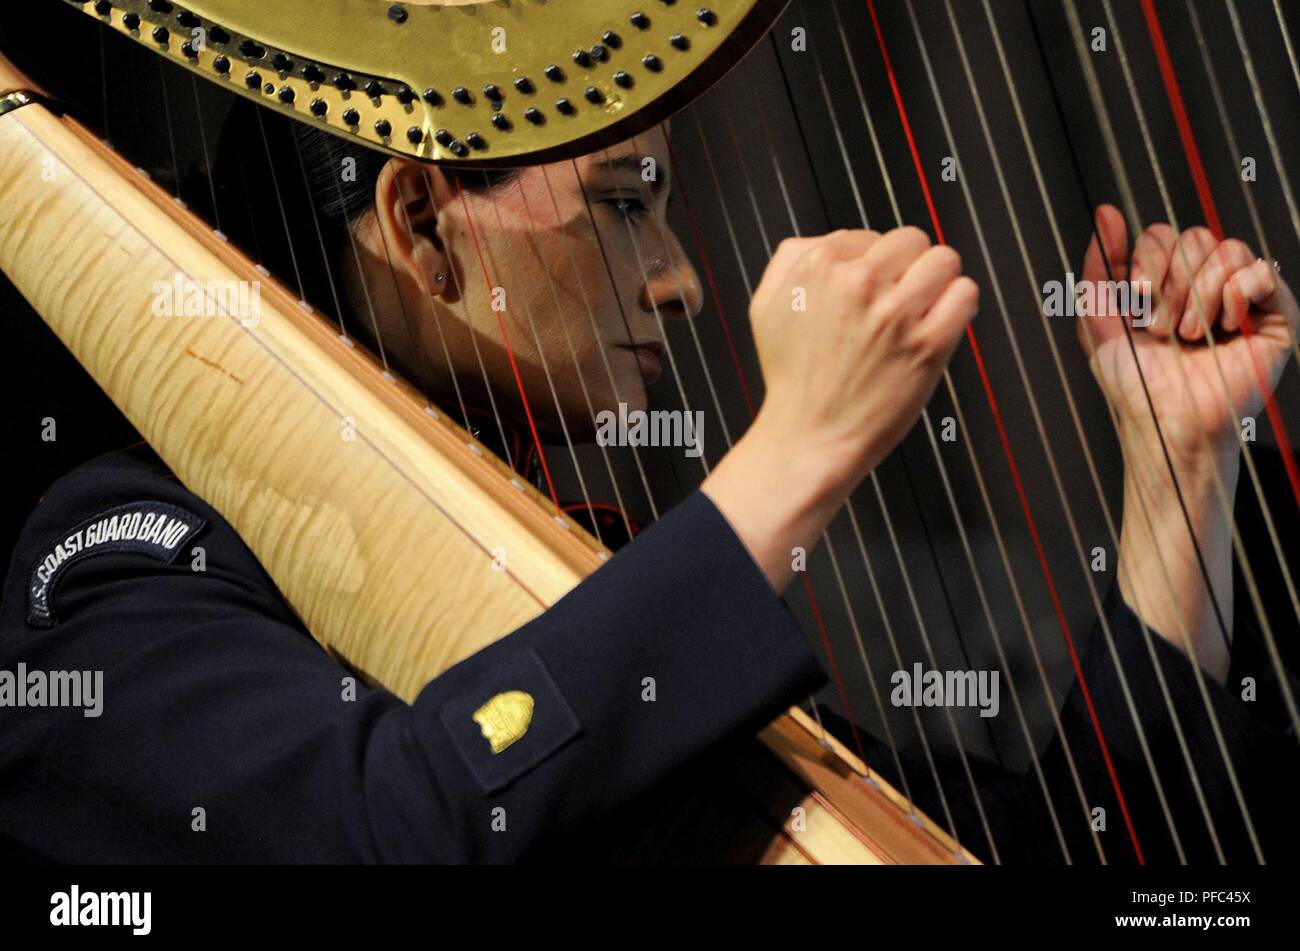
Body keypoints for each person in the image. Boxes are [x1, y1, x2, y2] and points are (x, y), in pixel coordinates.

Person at [1, 106, 1294, 862]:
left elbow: (1060, 849)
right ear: (416, 222)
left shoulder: (568, 562)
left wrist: (1172, 467)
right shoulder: (128, 550)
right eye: (623, 205)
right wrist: (798, 453)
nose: (677, 274)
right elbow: (385, 837)